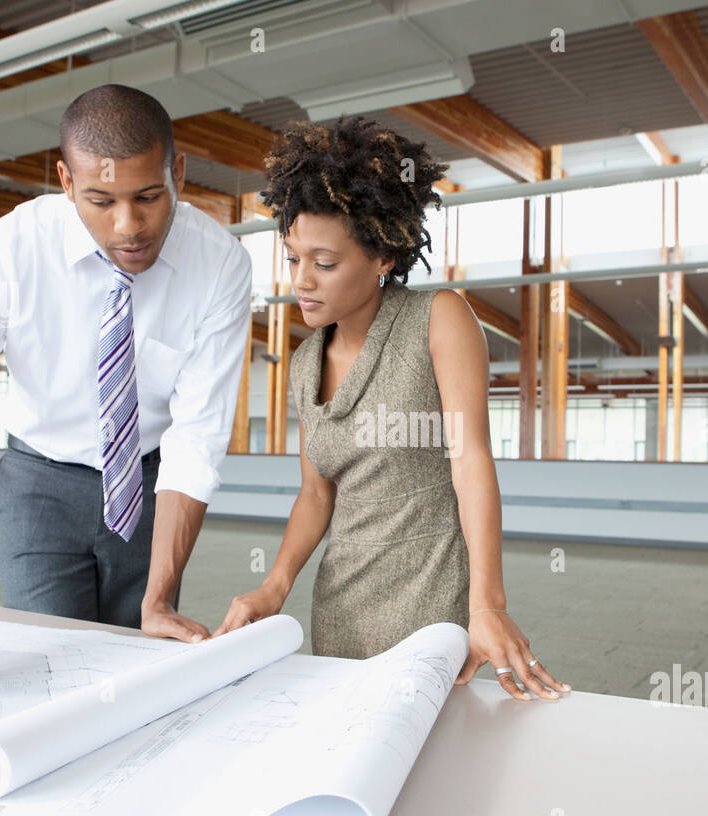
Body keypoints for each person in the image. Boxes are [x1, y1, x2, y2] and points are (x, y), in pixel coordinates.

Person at [0, 84, 252, 702]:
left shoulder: (219, 262)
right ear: (65, 181)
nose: (130, 227)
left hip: (147, 487)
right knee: (50, 671)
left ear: (180, 170)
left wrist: (162, 592)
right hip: (39, 481)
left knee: (132, 671)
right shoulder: (4, 253)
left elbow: (197, 437)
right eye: (101, 200)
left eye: (149, 196)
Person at [211, 117, 569, 702]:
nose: (301, 280)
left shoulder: (438, 319)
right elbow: (315, 492)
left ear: (381, 255)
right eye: (293, 257)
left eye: (324, 263)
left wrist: (488, 605)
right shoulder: (305, 363)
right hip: (341, 609)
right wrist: (274, 586)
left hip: (432, 611)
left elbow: (470, 460)